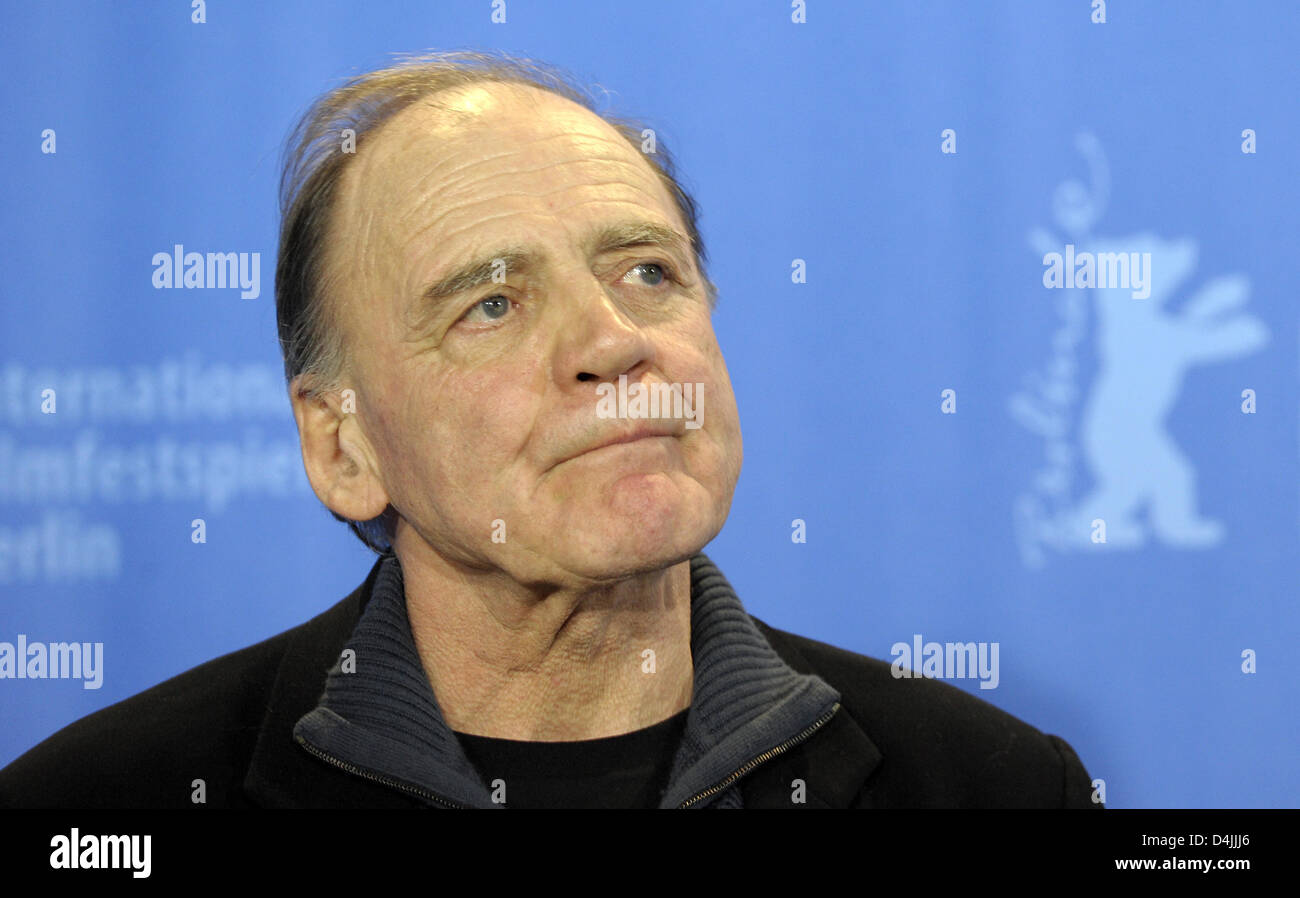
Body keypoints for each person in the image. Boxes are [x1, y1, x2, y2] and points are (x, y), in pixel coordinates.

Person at [0, 50, 1099, 808]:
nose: (615, 341)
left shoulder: (992, 787)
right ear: (344, 447)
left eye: (647, 272)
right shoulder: (99, 807)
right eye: (491, 301)